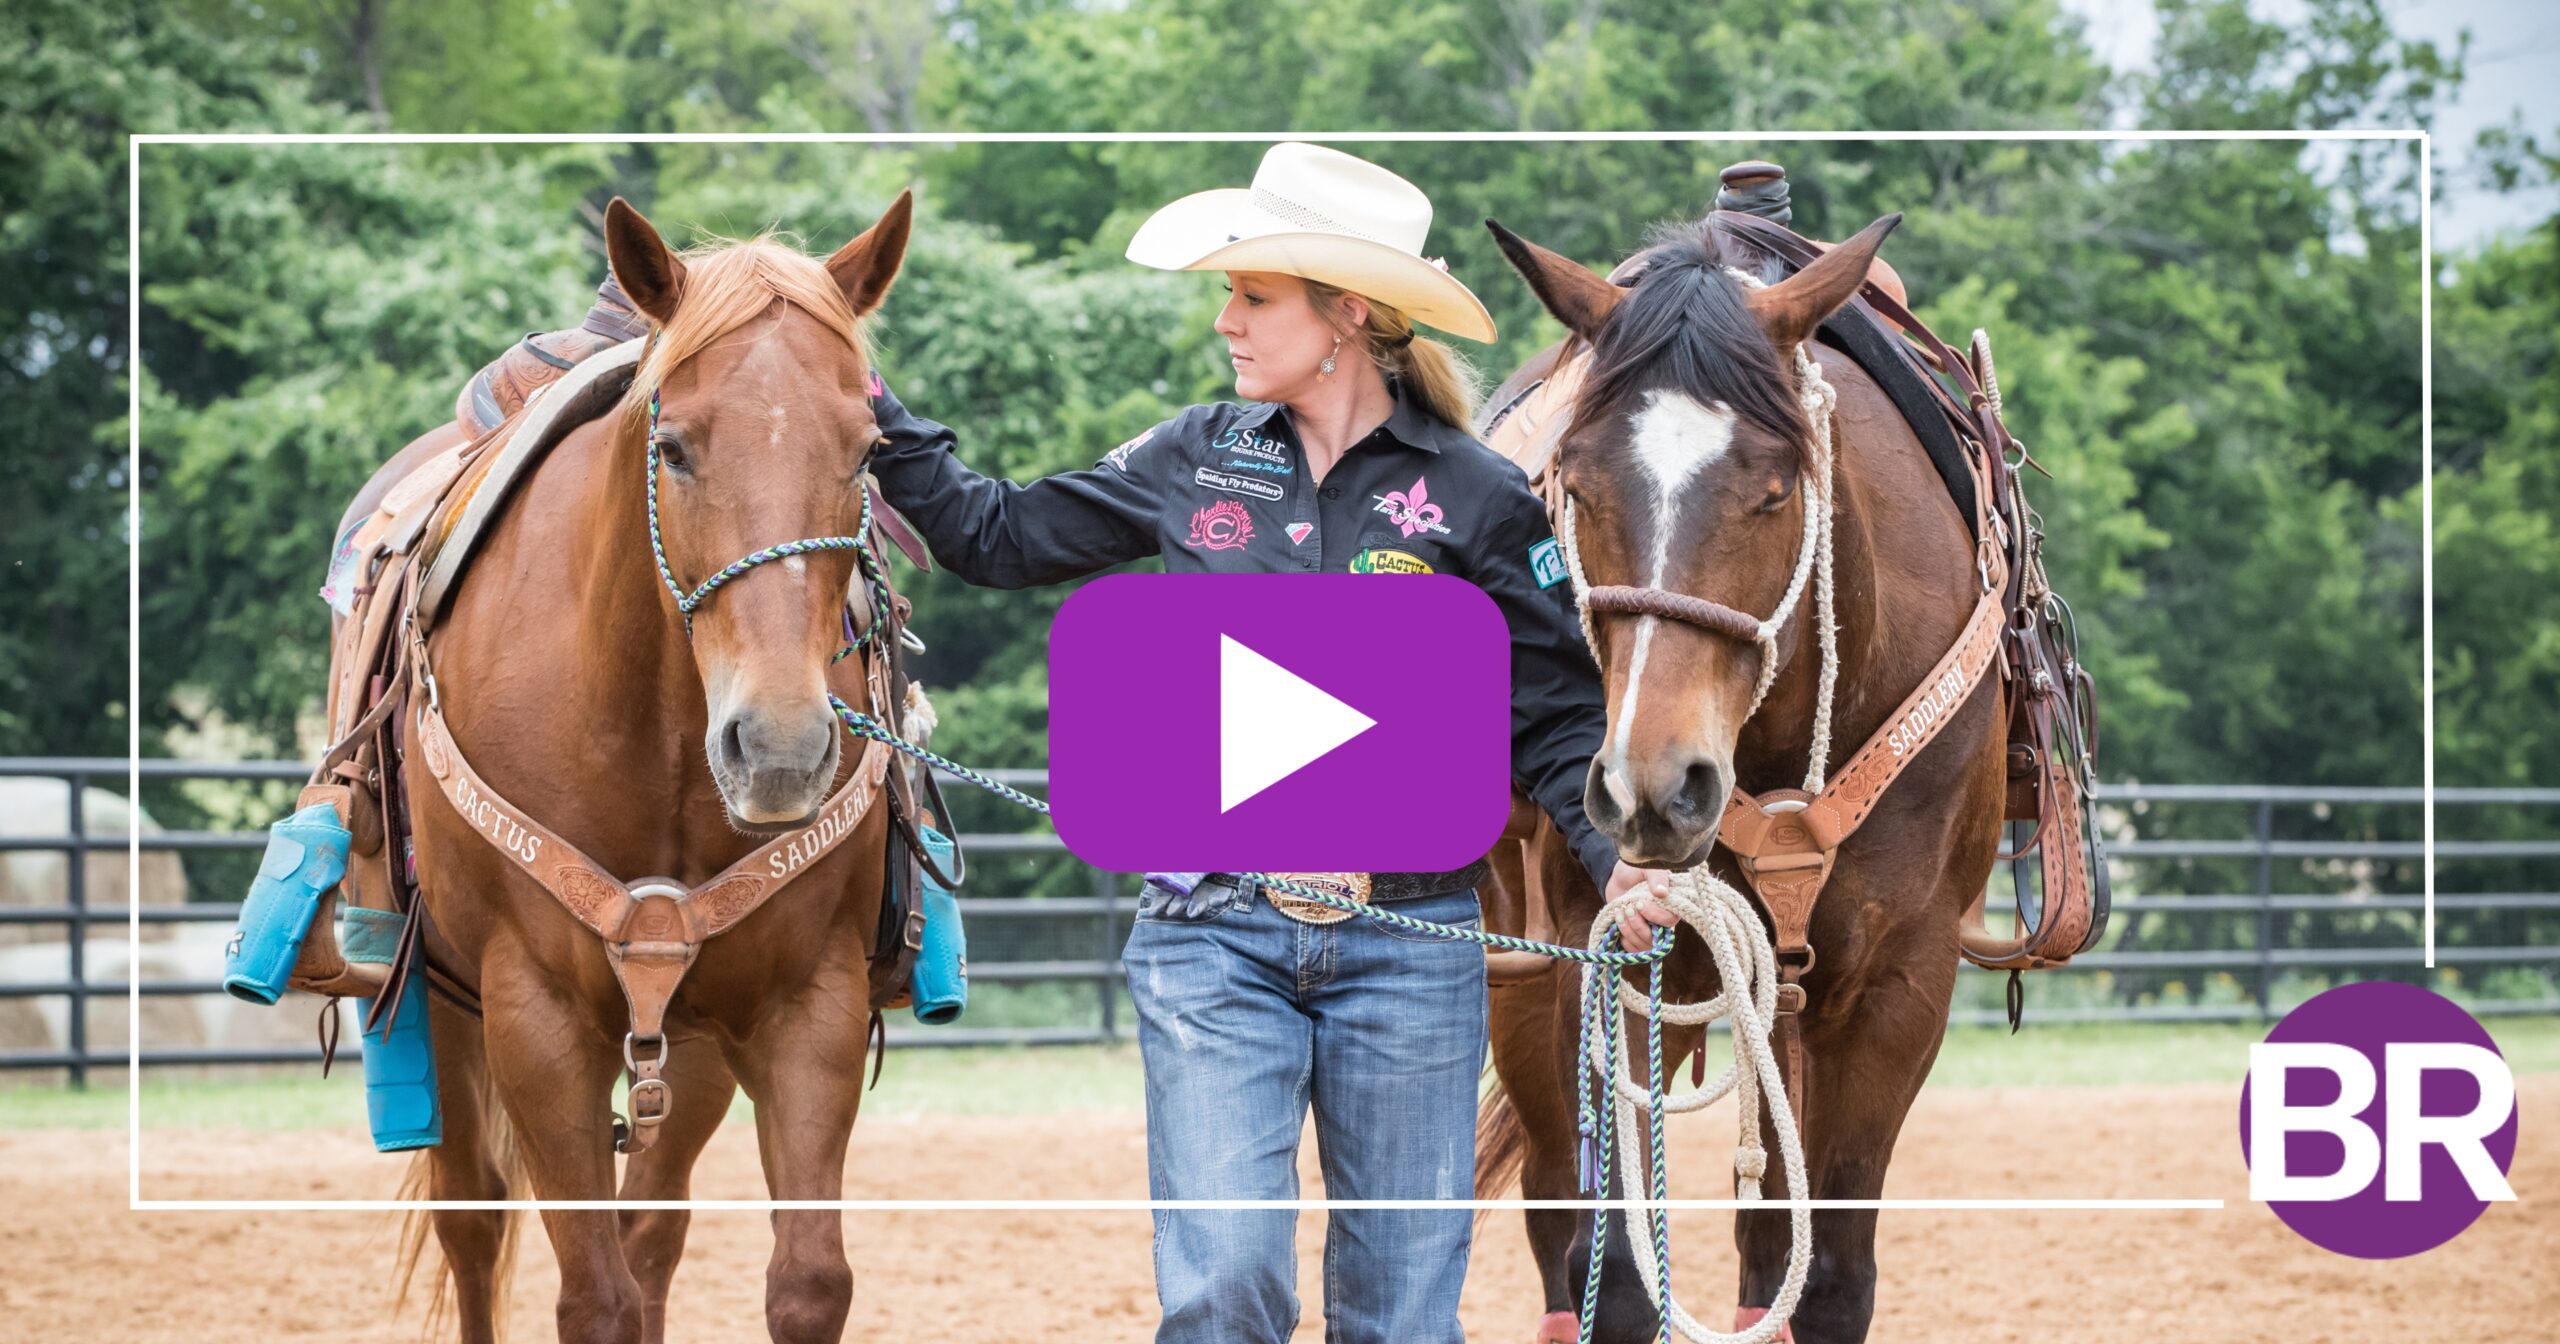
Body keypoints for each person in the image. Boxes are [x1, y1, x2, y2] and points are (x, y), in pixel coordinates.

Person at [863, 143, 1669, 1344]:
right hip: (1207, 935)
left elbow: (1555, 721)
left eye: (1253, 296)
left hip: (1411, 943)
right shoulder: (1190, 456)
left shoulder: (1481, 498)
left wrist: (1627, 869)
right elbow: (999, 535)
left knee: (1400, 1316)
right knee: (1225, 1284)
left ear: (1346, 315)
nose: (1228, 323)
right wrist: (880, 413)